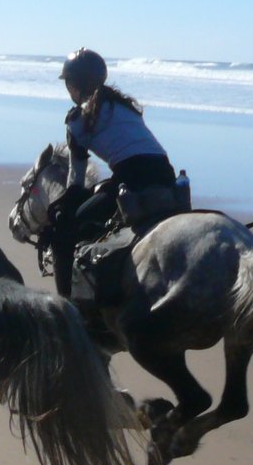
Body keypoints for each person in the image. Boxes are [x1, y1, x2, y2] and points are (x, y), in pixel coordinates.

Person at [45, 47, 177, 298]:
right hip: (165, 175)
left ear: (73, 85)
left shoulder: (77, 119)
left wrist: (64, 207)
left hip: (131, 179)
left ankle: (66, 305)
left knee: (64, 233)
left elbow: (77, 177)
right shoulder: (124, 105)